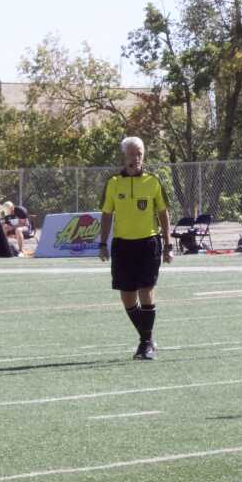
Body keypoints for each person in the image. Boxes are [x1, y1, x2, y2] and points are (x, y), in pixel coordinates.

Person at [98, 136, 173, 359]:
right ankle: (147, 338)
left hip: (148, 243)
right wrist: (102, 244)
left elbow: (163, 214)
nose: (136, 158)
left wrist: (168, 245)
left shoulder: (153, 181)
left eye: (139, 153)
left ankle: (146, 344)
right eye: (132, 154)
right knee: (127, 297)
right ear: (124, 156)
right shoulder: (113, 183)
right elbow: (106, 214)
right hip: (122, 245)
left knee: (146, 291)